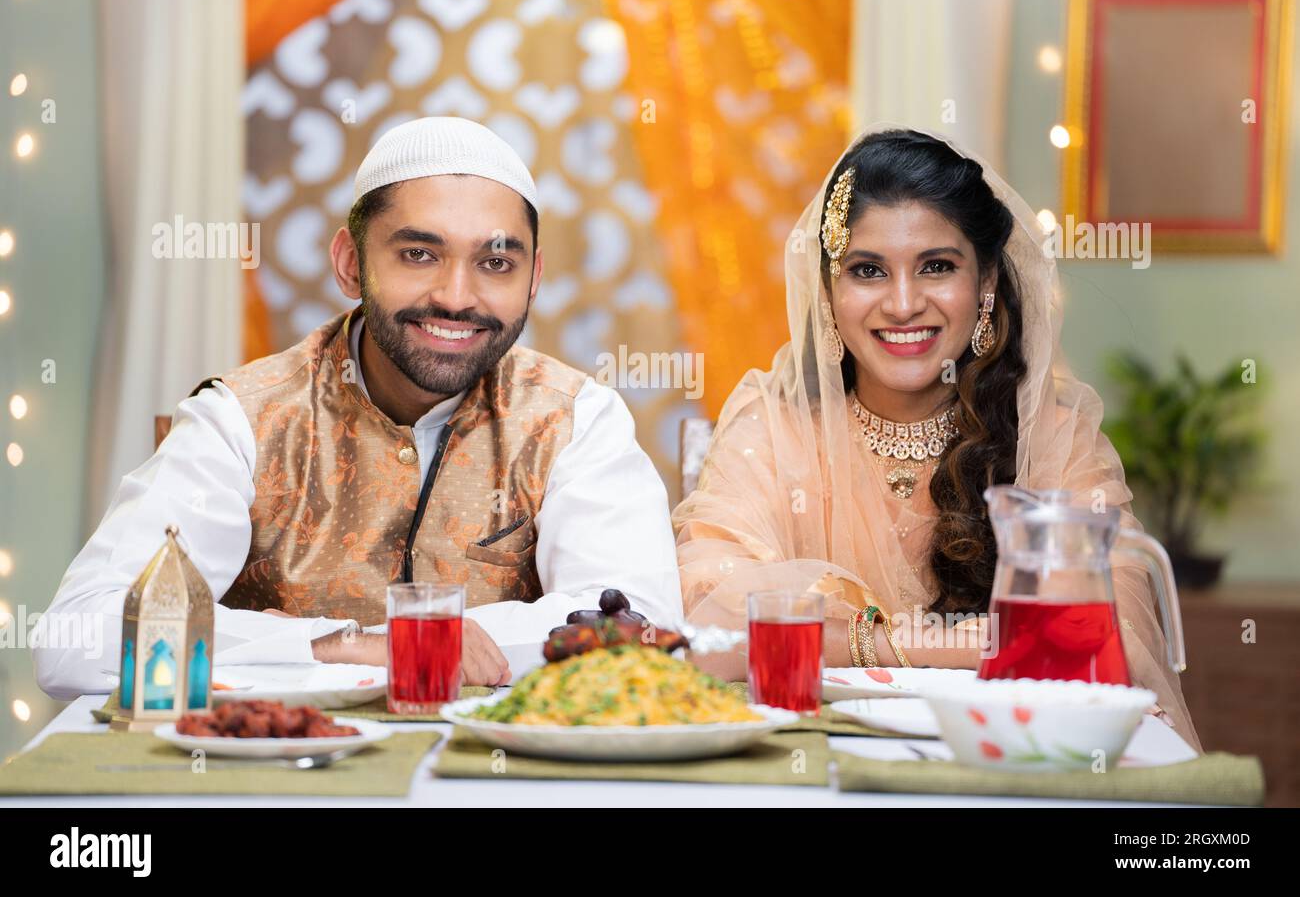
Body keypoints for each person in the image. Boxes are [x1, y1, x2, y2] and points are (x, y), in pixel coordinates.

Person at [37, 116, 683, 699]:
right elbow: (75, 638)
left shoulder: (575, 419)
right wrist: (331, 645)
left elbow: (638, 624)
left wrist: (414, 639)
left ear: (533, 279)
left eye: (494, 262)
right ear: (350, 264)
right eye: (419, 254)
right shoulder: (242, 420)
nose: (457, 296)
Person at [672, 125, 1201, 752]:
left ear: (985, 288)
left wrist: (835, 638)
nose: (902, 304)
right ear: (828, 295)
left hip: (1014, 765)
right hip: (815, 764)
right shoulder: (772, 432)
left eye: (936, 267)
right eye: (868, 270)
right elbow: (711, 634)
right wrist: (925, 643)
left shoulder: (1051, 439)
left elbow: (1101, 644)